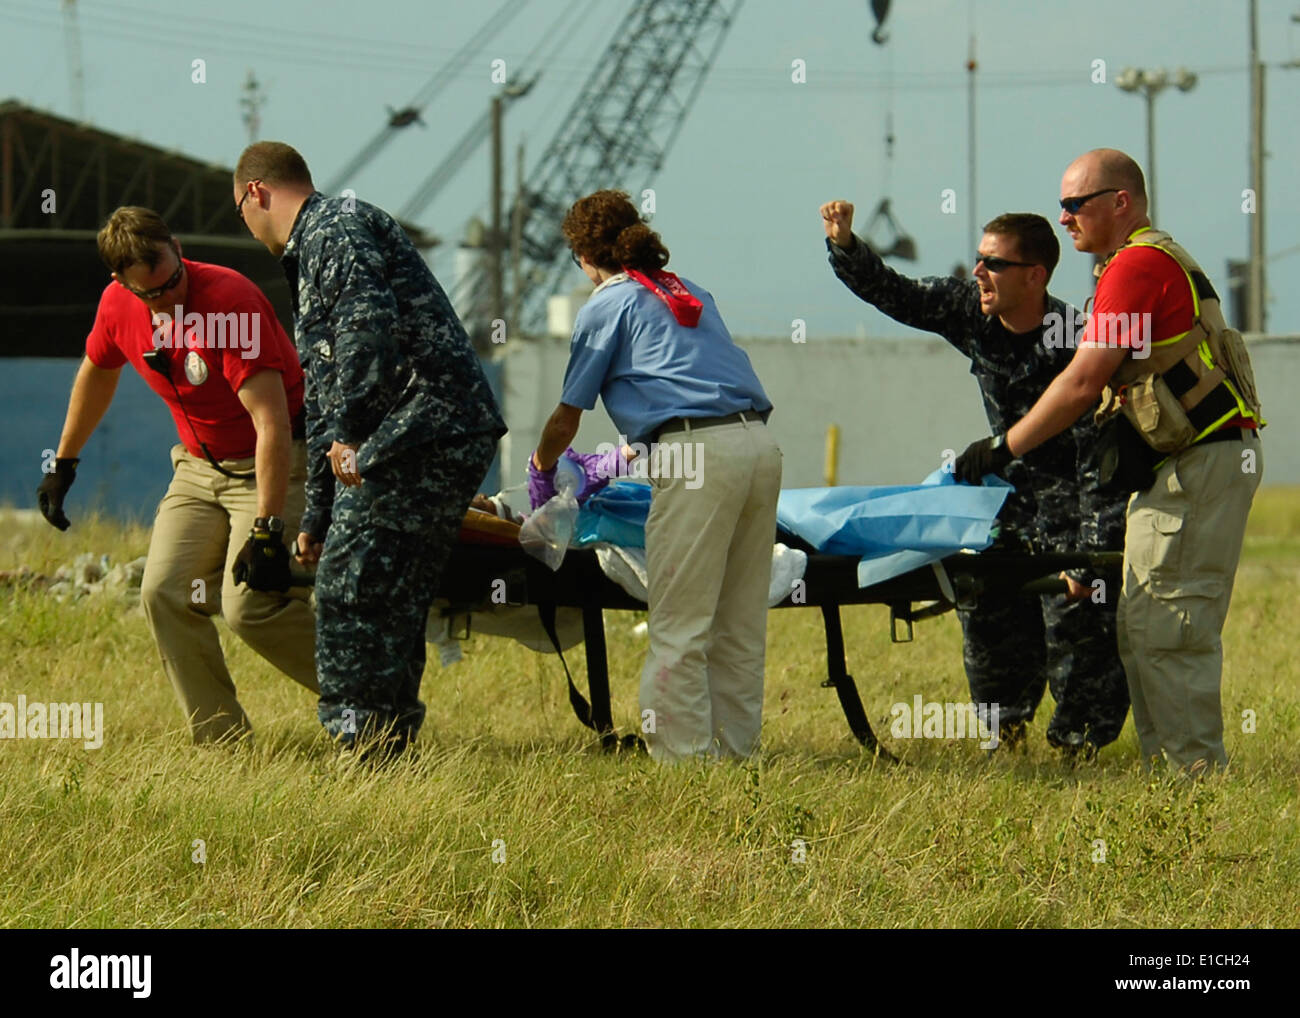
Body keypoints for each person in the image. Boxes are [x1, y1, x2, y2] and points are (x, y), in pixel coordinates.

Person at [953, 148, 1264, 774]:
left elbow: (1080, 382)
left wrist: (1001, 448)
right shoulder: (1146, 261)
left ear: (1121, 203)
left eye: (1076, 204)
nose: (1064, 218)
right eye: (1061, 205)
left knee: (1170, 626)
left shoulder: (1135, 267)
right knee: (1145, 625)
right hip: (1185, 465)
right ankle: (1173, 775)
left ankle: (1194, 781)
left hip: (1198, 465)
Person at [822, 203, 1129, 758]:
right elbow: (897, 294)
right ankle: (1004, 733)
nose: (979, 272)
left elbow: (1099, 459)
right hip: (1002, 502)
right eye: (979, 259)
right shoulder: (970, 308)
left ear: (1035, 276)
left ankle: (1078, 751)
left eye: (995, 263)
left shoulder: (1075, 340)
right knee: (987, 608)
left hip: (1072, 504)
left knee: (1082, 624)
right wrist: (847, 245)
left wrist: (1091, 558)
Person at [233, 141, 506, 760]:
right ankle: (386, 748)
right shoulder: (320, 245)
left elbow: (366, 332)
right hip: (415, 434)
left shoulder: (336, 228)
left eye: (240, 215)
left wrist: (355, 433)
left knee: (349, 589)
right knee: (386, 591)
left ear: (256, 192)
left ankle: (362, 746)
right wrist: (319, 516)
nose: (247, 230)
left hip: (418, 431)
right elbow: (327, 395)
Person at [36, 205, 317, 743]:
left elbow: (271, 422)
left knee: (250, 605)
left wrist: (266, 530)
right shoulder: (118, 304)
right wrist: (64, 463)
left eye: (173, 279)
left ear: (178, 247)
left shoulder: (230, 301)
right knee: (164, 592)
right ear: (121, 283)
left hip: (274, 461)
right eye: (153, 293)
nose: (169, 297)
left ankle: (372, 702)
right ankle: (222, 741)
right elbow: (97, 368)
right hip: (196, 467)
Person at [532, 189, 781, 763]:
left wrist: (542, 469)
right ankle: (737, 759)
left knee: (679, 625)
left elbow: (568, 414)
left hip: (693, 456)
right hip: (759, 446)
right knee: (738, 625)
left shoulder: (604, 303)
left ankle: (683, 767)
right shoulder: (691, 291)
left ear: (584, 256)